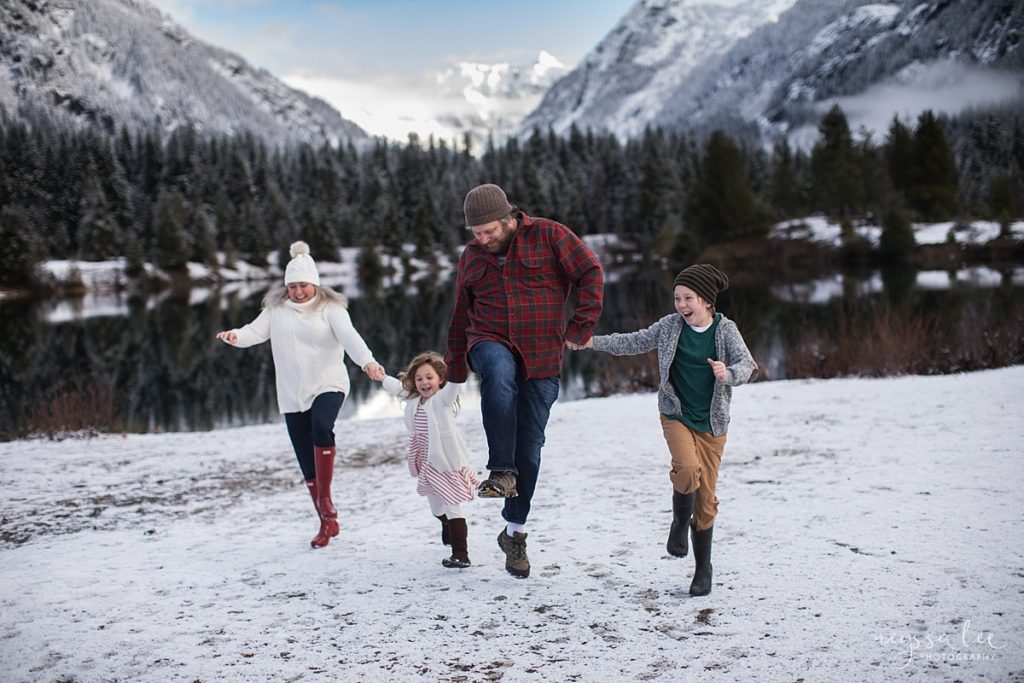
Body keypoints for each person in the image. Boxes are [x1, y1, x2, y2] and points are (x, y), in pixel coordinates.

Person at [444, 183, 604, 578]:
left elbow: (590, 272)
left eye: (489, 231)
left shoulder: (550, 235)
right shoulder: (473, 256)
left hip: (542, 356)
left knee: (530, 450)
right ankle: (500, 470)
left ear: (508, 217)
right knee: (497, 375)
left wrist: (581, 326)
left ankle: (514, 532)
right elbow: (461, 314)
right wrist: (454, 372)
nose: (482, 240)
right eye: (475, 234)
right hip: (488, 339)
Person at [571, 264, 757, 596]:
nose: (682, 305)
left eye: (688, 298)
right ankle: (677, 524)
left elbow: (748, 365)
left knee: (706, 499)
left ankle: (703, 568)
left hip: (713, 424)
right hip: (676, 414)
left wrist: (727, 374)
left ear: (706, 300)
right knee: (686, 469)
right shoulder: (671, 327)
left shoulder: (725, 331)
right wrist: (591, 342)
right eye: (677, 298)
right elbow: (634, 341)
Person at [216, 241, 384, 549]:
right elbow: (254, 332)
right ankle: (326, 521)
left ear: (315, 284)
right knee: (307, 463)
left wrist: (368, 362)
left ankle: (326, 500)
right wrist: (235, 336)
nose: (298, 291)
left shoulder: (331, 309)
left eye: (303, 285)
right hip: (291, 394)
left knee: (322, 426)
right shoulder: (276, 310)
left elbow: (350, 337)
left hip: (328, 384)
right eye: (292, 286)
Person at [375, 352, 479, 568]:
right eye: (419, 378)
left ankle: (461, 554)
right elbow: (397, 388)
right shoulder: (414, 399)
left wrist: (461, 366)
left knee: (452, 506)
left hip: (447, 463)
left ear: (441, 379)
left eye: (429, 377)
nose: (424, 382)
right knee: (436, 509)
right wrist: (381, 377)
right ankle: (448, 527)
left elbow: (455, 384)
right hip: (426, 462)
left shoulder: (442, 399)